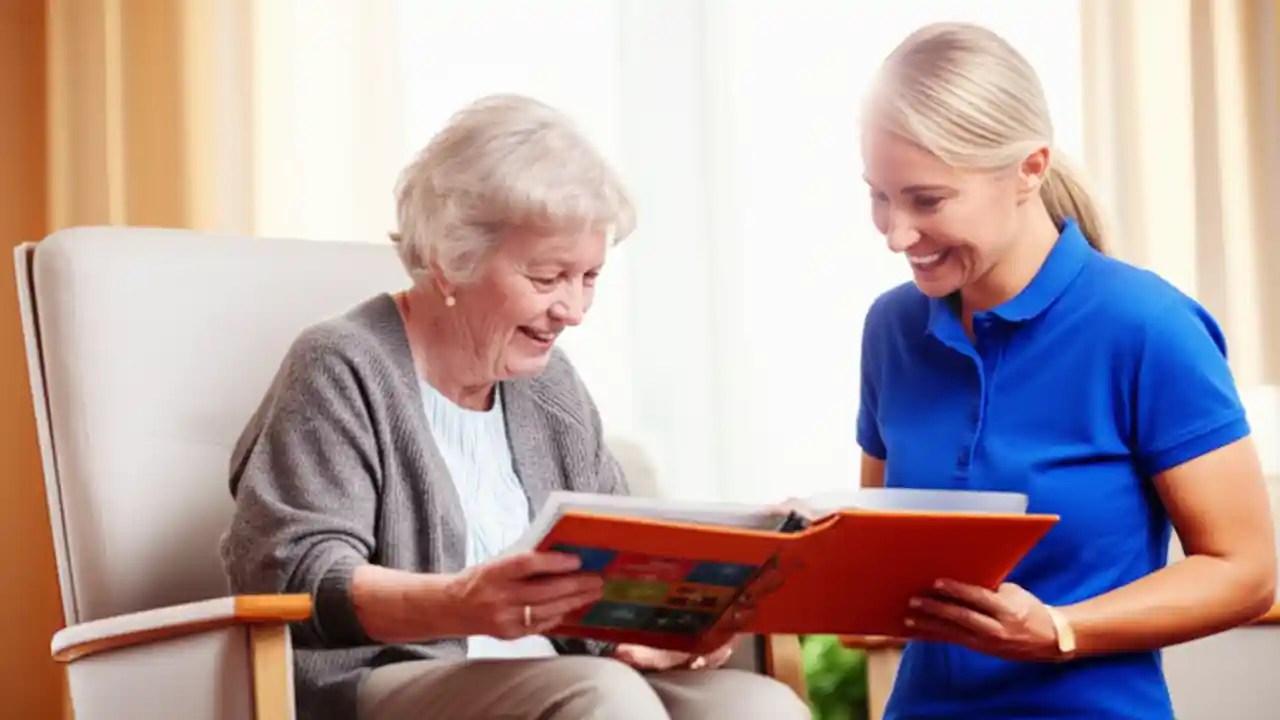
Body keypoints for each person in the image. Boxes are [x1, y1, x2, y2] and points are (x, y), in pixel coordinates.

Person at [219, 94, 809, 720]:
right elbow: (292, 576)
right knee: (602, 697)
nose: (574, 311)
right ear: (451, 259)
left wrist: (668, 625)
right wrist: (461, 602)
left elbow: (612, 563)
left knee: (757, 705)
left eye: (589, 278)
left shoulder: (550, 386)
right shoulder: (342, 364)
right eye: (549, 277)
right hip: (387, 680)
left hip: (564, 676)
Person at [850, 22, 1277, 719]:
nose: (897, 234)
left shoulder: (1147, 327)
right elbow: (881, 552)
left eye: (927, 200)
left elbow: (1246, 572)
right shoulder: (892, 329)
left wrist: (1060, 630)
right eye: (879, 196)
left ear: (1029, 169)